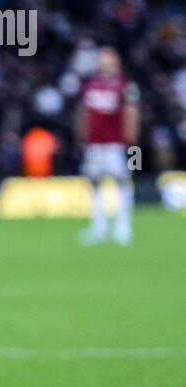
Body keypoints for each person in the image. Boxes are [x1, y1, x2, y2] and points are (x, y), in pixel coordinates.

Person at [77, 47, 139, 245]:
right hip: (94, 144)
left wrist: (131, 140)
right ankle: (99, 226)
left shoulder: (126, 85)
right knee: (95, 184)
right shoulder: (90, 85)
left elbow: (132, 112)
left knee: (123, 183)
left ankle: (123, 227)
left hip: (117, 145)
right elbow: (84, 113)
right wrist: (83, 136)